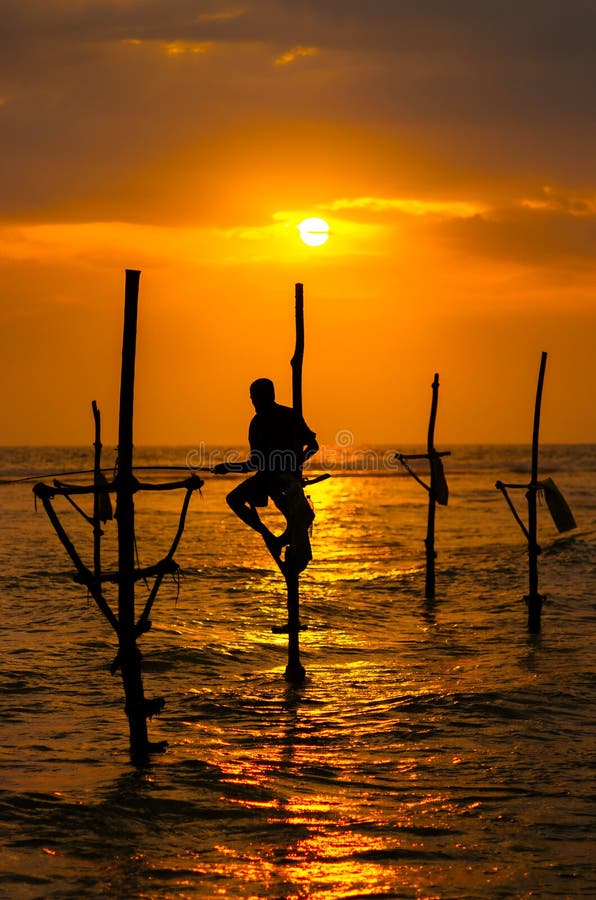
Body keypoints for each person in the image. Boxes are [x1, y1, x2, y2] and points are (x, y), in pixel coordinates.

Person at [213, 378, 318, 570]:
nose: (254, 403)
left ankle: (282, 540)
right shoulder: (256, 424)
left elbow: (313, 446)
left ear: (269, 397)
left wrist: (296, 462)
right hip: (266, 478)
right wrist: (228, 467)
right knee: (234, 499)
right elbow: (255, 463)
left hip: (286, 480)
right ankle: (269, 536)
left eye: (256, 399)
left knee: (295, 516)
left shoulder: (290, 416)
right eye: (252, 399)